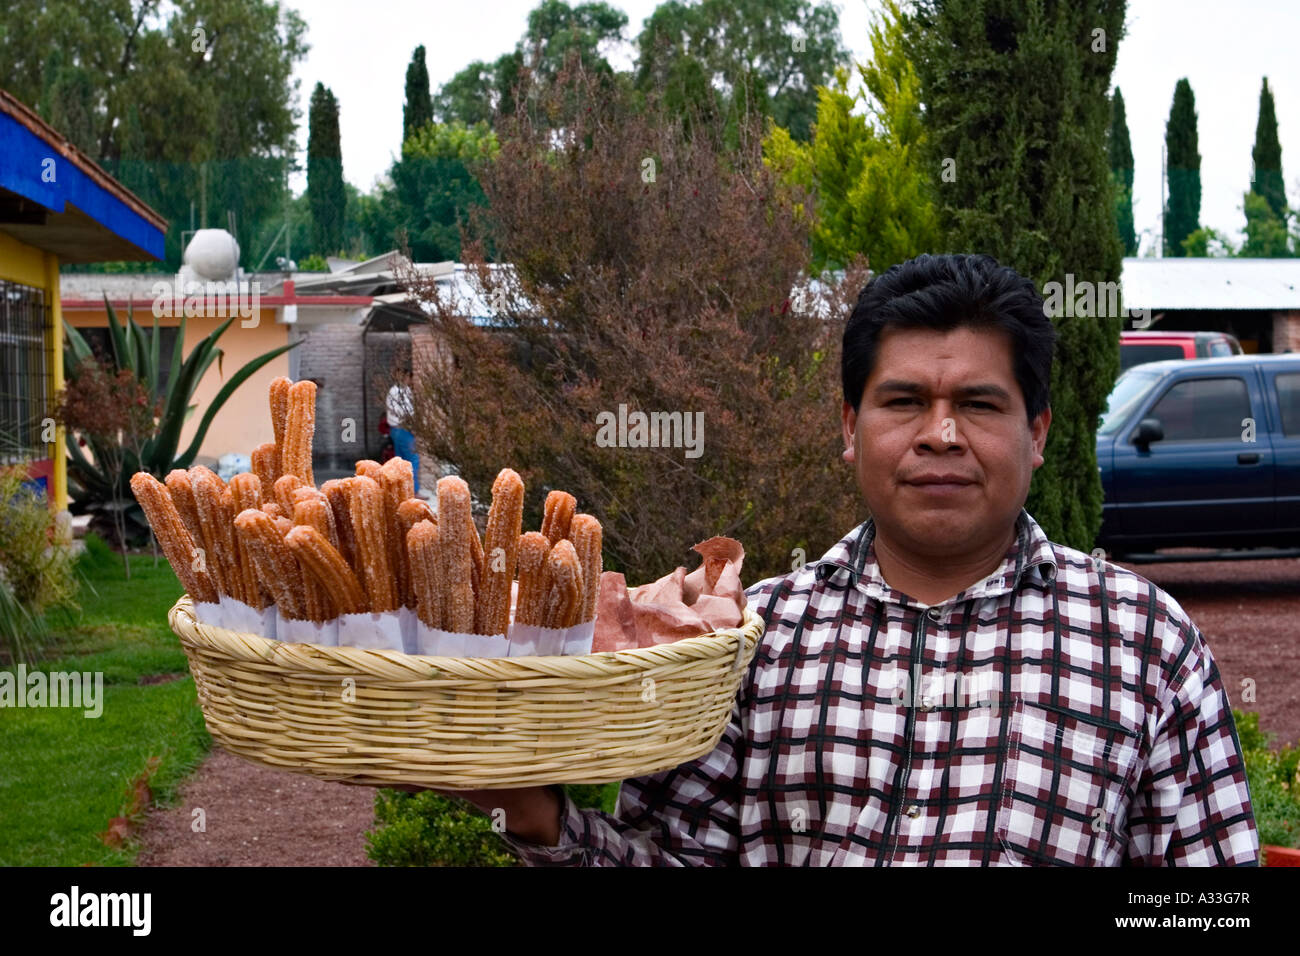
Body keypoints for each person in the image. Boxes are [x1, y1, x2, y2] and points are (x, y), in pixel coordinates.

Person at [421, 254, 1259, 866]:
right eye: (903, 402)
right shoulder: (745, 644)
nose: (940, 433)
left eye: (977, 403)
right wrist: (535, 819)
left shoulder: (1142, 642)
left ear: (1035, 433)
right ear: (850, 428)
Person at [386, 370, 421, 496]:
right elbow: (406, 411)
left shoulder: (395, 390)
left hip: (396, 429)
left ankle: (404, 492)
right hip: (403, 429)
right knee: (412, 459)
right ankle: (414, 491)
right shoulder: (400, 391)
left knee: (401, 462)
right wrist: (413, 425)